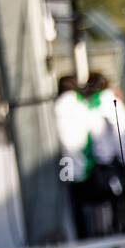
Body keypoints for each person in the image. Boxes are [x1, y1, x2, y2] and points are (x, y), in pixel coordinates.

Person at [85, 72, 125, 236]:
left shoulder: (104, 101)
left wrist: (119, 154)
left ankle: (123, 226)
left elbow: (117, 129)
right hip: (111, 157)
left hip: (112, 158)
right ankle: (120, 225)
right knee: (115, 196)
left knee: (118, 195)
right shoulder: (100, 102)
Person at [54, 75, 96, 239]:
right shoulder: (80, 104)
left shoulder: (57, 106)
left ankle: (78, 234)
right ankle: (88, 233)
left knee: (72, 201)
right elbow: (91, 131)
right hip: (83, 158)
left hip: (65, 161)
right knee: (85, 201)